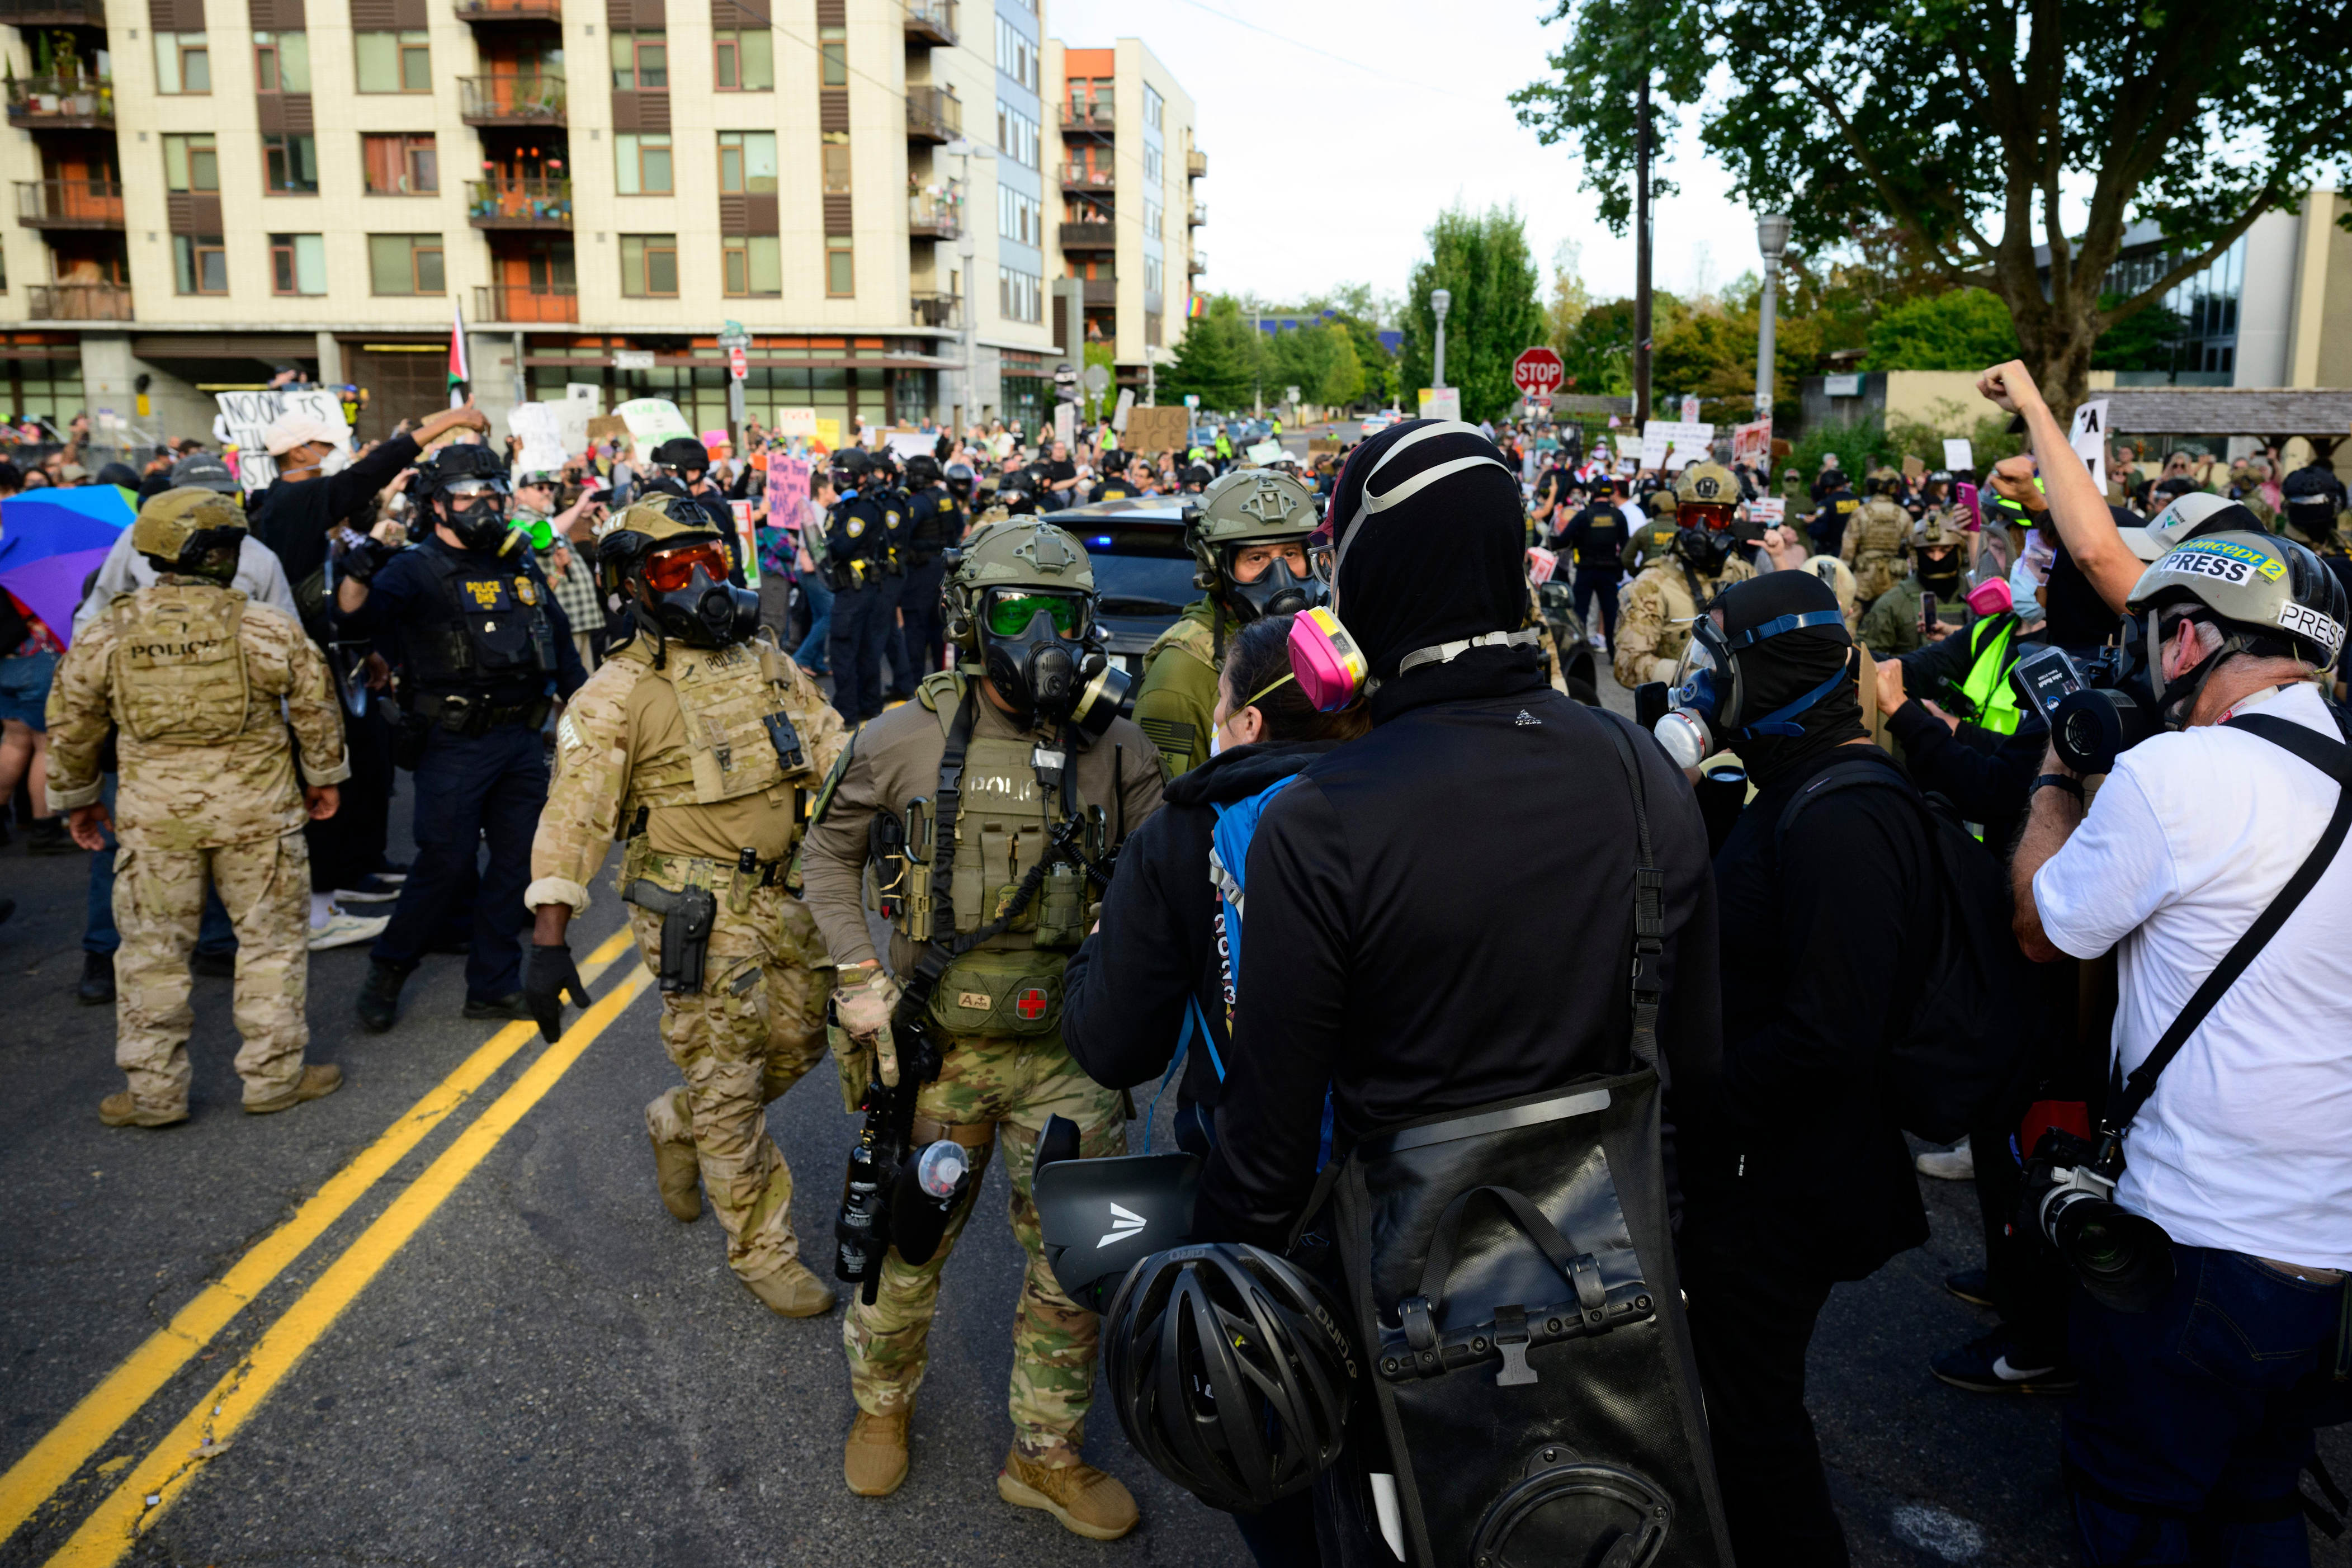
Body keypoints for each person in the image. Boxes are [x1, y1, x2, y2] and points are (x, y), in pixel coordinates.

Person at [1183, 420, 1725, 1560]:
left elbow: (1272, 1144)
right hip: (1623, 1285)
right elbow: (1700, 1067)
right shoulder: (1641, 770)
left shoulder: (1323, 818)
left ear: (1368, 572)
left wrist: (1223, 1300)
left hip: (1410, 1317)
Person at [799, 517, 1162, 1535]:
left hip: (1070, 1058)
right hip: (935, 1055)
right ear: (970, 617)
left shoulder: (1116, 745)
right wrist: (859, 971)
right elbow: (825, 857)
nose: (1041, 632)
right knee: (906, 1248)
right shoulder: (897, 738)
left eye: (1063, 613)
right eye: (1015, 610)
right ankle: (882, 1406)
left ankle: (1044, 1452)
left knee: (1079, 1262)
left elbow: (1159, 876)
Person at [2010, 518, 2352, 1567]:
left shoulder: (2178, 775)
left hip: (2192, 1240)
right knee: (2258, 1501)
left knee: (2133, 1501)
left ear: (2194, 640)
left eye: (2154, 633)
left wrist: (2058, 776)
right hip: (2326, 1253)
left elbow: (2042, 924)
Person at [523, 495, 847, 1319]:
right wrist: (550, 932)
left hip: (785, 889)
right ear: (633, 586)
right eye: (675, 569)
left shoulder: (765, 659)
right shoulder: (616, 694)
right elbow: (573, 814)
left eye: (712, 564)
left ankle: (680, 1118)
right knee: (729, 1079)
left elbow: (831, 746)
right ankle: (762, 1249)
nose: (701, 583)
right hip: (694, 910)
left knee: (801, 1044)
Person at [1673, 570, 1940, 1566]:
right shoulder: (1787, 781)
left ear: (1770, 670)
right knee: (1740, 1411)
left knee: (1757, 1426)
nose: (1698, 684)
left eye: (1716, 665)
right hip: (1763, 1168)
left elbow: (1833, 1030)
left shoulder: (1843, 815)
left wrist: (1704, 1102)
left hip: (1786, 1183)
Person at [44, 488, 350, 1125]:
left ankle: (154, 1094)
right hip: (259, 817)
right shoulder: (267, 627)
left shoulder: (107, 632)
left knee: (151, 953)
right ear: (228, 553)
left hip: (156, 824)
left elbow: (73, 723)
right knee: (270, 946)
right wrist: (324, 778)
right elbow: (317, 709)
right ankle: (273, 1077)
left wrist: (76, 800)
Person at [336, 443, 587, 1031]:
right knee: (445, 865)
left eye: (491, 494)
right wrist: (366, 557)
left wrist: (591, 719)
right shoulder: (413, 567)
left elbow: (560, 643)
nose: (483, 506)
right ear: (437, 505)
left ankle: (492, 984)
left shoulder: (518, 564)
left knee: (514, 866)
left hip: (522, 739)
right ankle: (389, 969)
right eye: (467, 496)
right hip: (453, 742)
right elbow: (353, 618)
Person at [1130, 468, 1323, 777]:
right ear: (1215, 568)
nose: (1281, 577)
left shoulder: (1323, 642)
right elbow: (1164, 808)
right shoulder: (1181, 675)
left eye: (1290, 553)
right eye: (1256, 558)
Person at [1614, 461, 1759, 687]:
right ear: (1678, 518)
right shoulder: (1651, 585)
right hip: (1676, 716)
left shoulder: (1744, 573)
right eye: (1691, 516)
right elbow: (1627, 665)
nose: (1702, 528)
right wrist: (1700, 676)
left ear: (1731, 519)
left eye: (1715, 517)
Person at [822, 448, 894, 722]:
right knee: (864, 652)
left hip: (856, 591)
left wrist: (828, 543)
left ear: (862, 477)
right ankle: (868, 707)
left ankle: (848, 712)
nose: (839, 480)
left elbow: (841, 547)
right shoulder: (847, 507)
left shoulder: (862, 509)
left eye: (844, 475)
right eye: (836, 474)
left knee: (845, 650)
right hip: (858, 590)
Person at [1858, 511, 1969, 657]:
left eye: (1945, 550)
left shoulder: (1975, 594)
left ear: (1958, 551)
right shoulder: (1893, 602)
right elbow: (1866, 657)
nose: (1936, 558)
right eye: (1928, 551)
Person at [899, 455, 964, 683]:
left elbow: (901, 533)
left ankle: (913, 683)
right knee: (940, 628)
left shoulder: (917, 503)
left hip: (919, 574)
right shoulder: (948, 498)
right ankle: (943, 682)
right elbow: (959, 529)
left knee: (916, 631)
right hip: (944, 570)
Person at [1557, 474, 1631, 651]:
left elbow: (1563, 539)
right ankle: (1613, 654)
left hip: (1585, 571)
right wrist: (1619, 570)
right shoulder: (1619, 516)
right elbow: (1626, 547)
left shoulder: (1583, 516)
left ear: (1593, 492)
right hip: (1609, 572)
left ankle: (1579, 649)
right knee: (1610, 613)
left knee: (1580, 612)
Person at [1841, 473, 1914, 607]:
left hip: (1864, 575)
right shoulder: (1902, 514)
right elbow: (1913, 545)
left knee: (1855, 612)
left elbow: (1849, 546)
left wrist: (1844, 571)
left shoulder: (1861, 512)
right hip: (1894, 576)